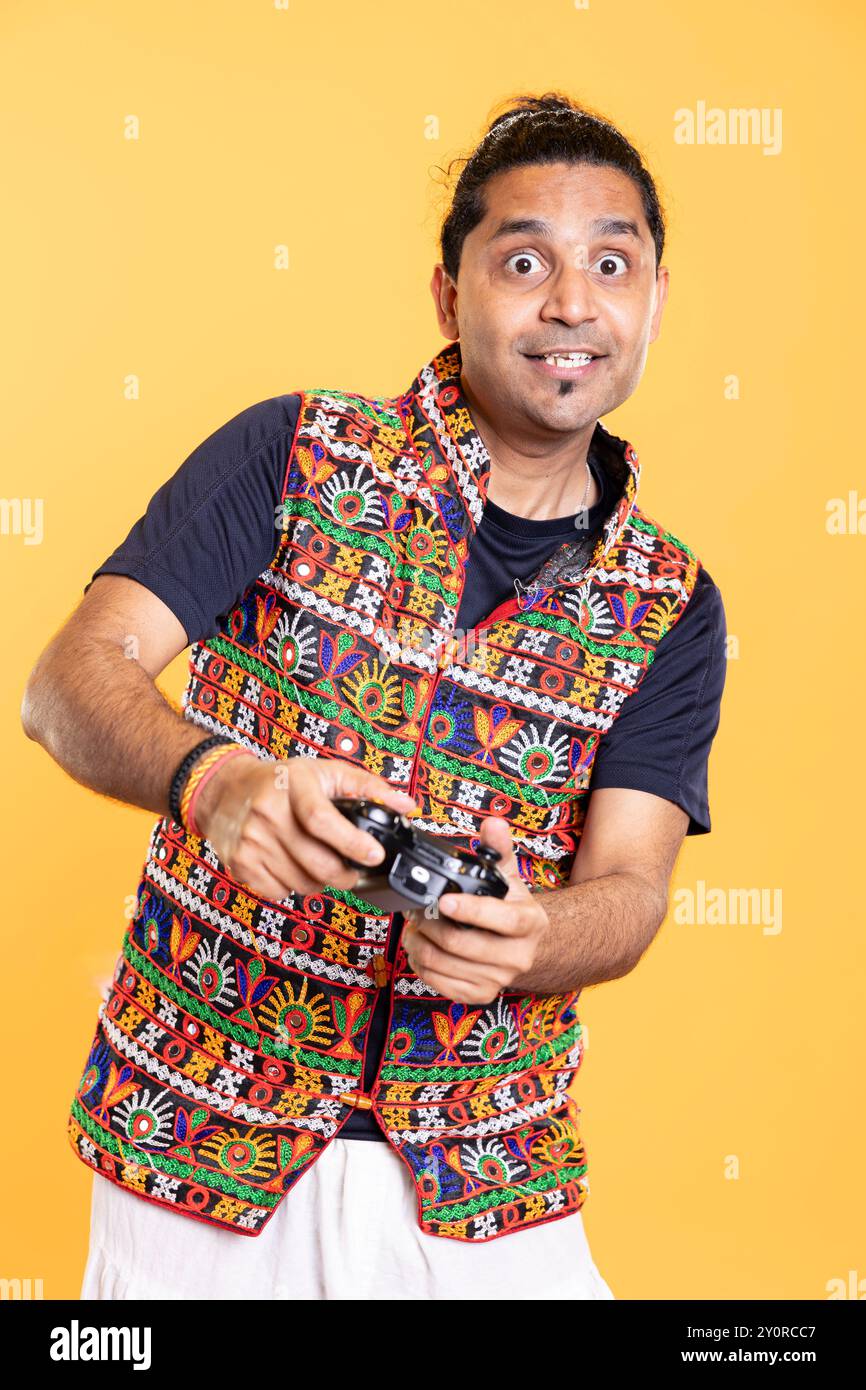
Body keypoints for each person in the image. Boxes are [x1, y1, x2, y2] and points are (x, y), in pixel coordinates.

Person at [21, 91, 727, 1301]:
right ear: (450, 296)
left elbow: (633, 887)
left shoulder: (671, 600)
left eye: (611, 263)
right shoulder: (291, 453)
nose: (571, 302)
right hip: (196, 1146)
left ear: (654, 301)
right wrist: (217, 782)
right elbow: (67, 683)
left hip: (482, 1179)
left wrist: (533, 937)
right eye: (524, 261)